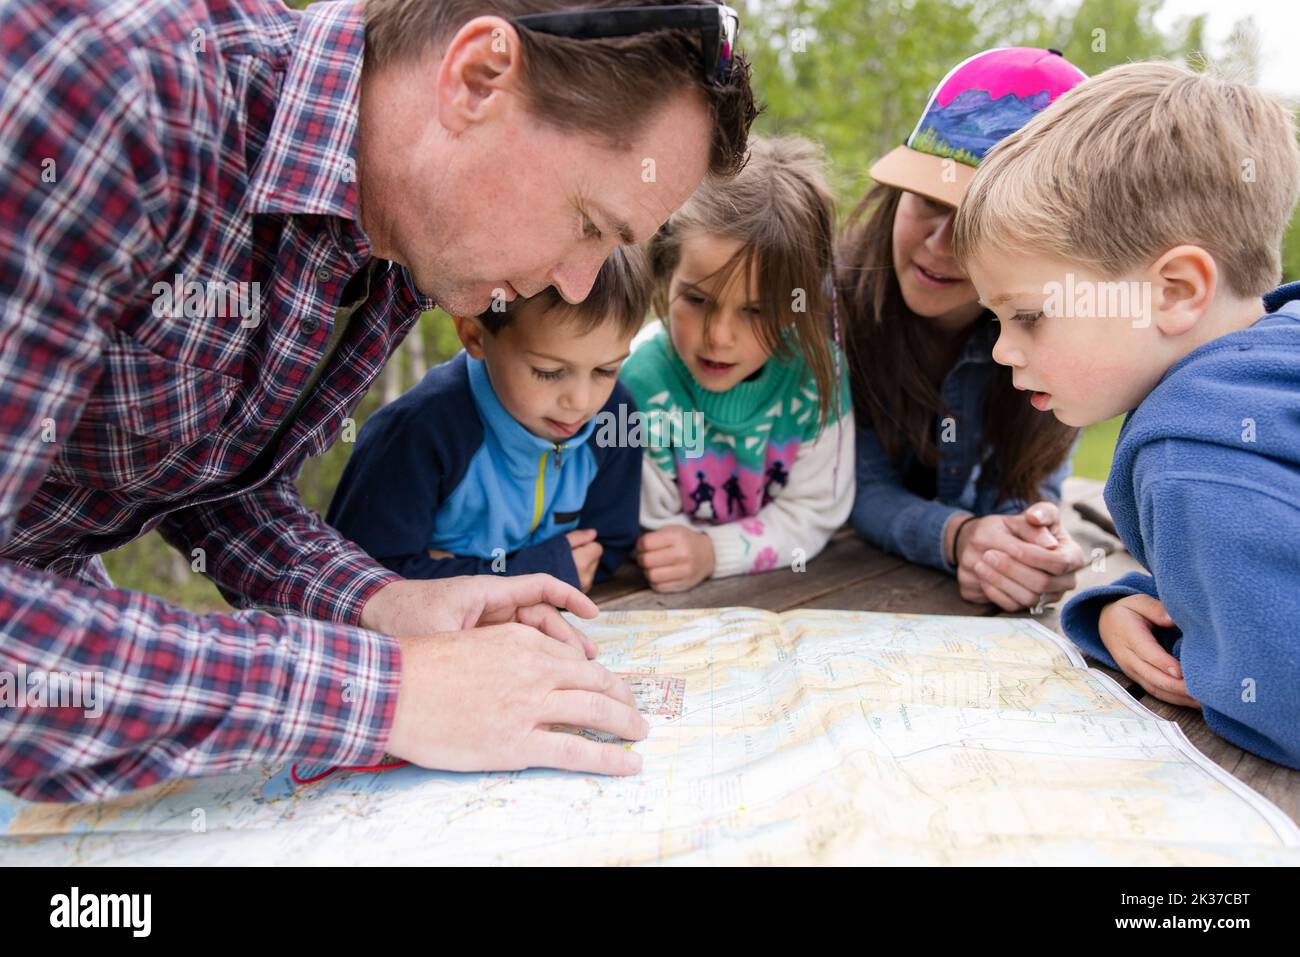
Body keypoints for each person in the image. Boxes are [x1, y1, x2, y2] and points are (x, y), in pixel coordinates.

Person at [0, 0, 756, 801]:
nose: (576, 282)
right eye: (586, 222)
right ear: (478, 78)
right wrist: (386, 690)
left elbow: (209, 487)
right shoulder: (108, 97)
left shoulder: (403, 240)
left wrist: (382, 603)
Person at [954, 62, 1300, 768]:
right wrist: (1116, 605)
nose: (1002, 350)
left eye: (1027, 315)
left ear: (1172, 290)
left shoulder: (1196, 459)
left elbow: (1275, 694)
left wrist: (1193, 650)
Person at [838, 48, 1088, 612]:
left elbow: (1032, 479)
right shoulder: (834, 303)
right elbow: (856, 485)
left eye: (980, 220)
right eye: (928, 200)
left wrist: (1027, 541)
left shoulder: (1072, 342)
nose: (939, 243)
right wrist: (960, 538)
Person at [327, 247, 650, 592]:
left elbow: (606, 548)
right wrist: (535, 572)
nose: (581, 402)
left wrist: (448, 569)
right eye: (548, 371)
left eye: (606, 370)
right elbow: (363, 579)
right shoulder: (417, 433)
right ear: (475, 336)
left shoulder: (614, 417)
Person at [620, 136, 853, 592]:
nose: (719, 337)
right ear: (665, 276)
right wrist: (684, 551)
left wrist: (711, 553)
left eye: (756, 310)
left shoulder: (816, 375)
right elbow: (655, 533)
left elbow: (814, 510)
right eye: (697, 299)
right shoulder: (640, 383)